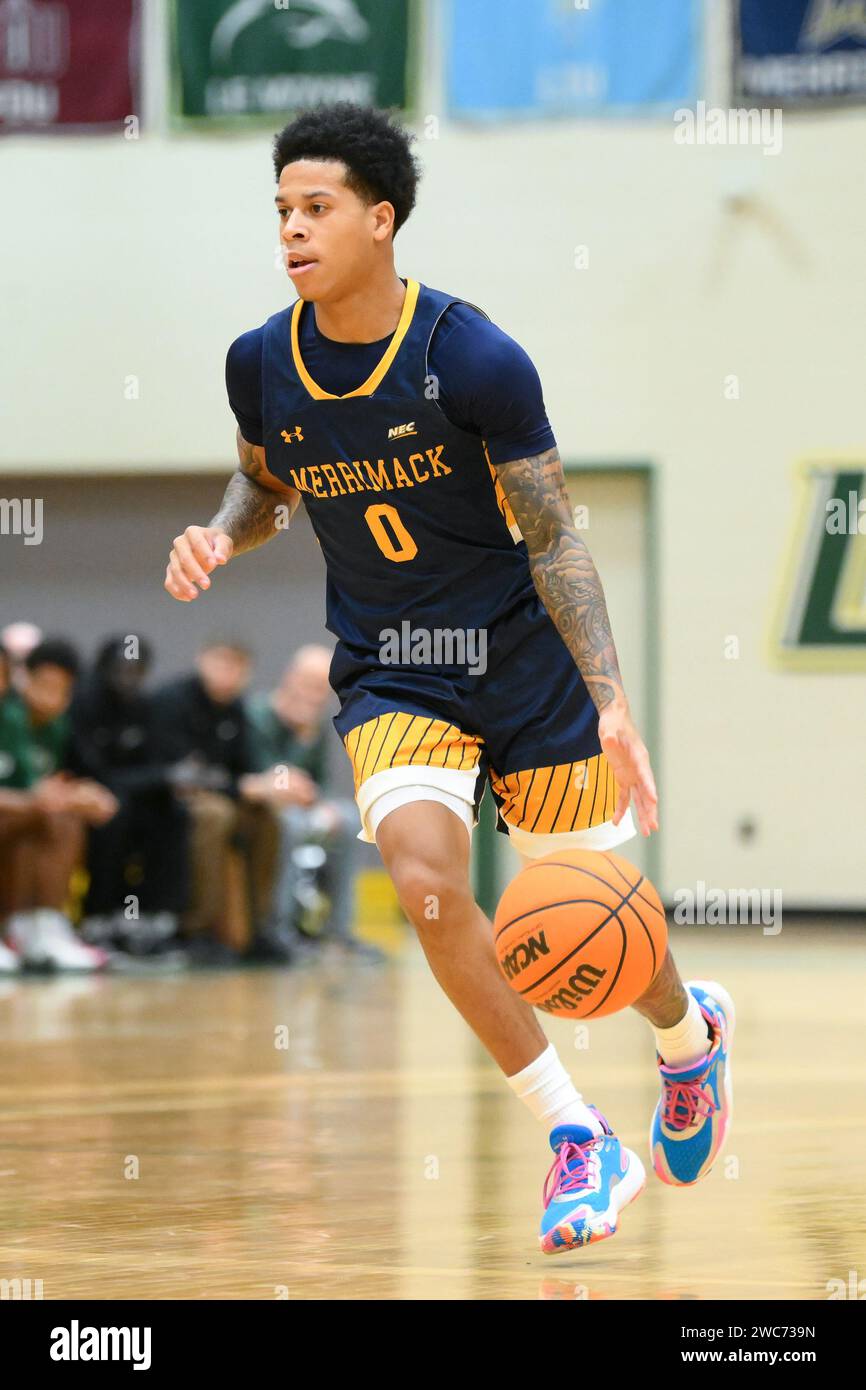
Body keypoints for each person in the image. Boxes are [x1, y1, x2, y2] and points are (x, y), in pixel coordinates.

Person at [162, 102, 735, 1252]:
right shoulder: (258, 363)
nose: (291, 229)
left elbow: (554, 537)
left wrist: (611, 699)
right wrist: (225, 532)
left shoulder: (469, 356)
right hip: (393, 672)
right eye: (280, 210)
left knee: (596, 918)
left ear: (381, 219)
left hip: (522, 664)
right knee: (427, 884)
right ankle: (578, 1136)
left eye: (315, 207)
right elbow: (265, 483)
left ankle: (686, 1037)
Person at [151, 638, 281, 962]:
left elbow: (246, 768)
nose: (228, 673)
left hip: (220, 794)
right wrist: (241, 788)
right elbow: (180, 771)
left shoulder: (236, 709)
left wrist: (263, 785)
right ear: (201, 661)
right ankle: (197, 929)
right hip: (165, 798)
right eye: (221, 663)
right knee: (216, 814)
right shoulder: (172, 700)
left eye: (237, 666)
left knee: (266, 817)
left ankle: (255, 929)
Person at [246, 644, 372, 957]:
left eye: (321, 689)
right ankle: (281, 929)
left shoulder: (313, 727)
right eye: (308, 684)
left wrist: (323, 803)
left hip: (301, 807)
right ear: (290, 678)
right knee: (289, 825)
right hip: (263, 807)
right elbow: (255, 770)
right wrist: (281, 782)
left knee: (347, 819)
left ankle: (338, 931)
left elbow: (318, 782)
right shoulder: (256, 714)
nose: (314, 696)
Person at [68, 636, 190, 959]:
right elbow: (95, 772)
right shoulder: (83, 703)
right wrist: (159, 777)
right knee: (114, 811)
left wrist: (168, 778)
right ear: (104, 669)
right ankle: (99, 919)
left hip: (133, 796)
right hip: (88, 795)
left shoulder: (145, 707)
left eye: (137, 671)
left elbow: (158, 766)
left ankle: (153, 920)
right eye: (121, 669)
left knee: (174, 812)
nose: (128, 678)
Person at [0, 638, 117, 971]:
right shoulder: (11, 717)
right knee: (44, 813)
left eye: (61, 689)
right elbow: (33, 795)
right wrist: (42, 800)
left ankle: (43, 925)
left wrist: (83, 795)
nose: (51, 697)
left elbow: (48, 787)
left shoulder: (55, 726)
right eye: (45, 685)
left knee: (60, 819)